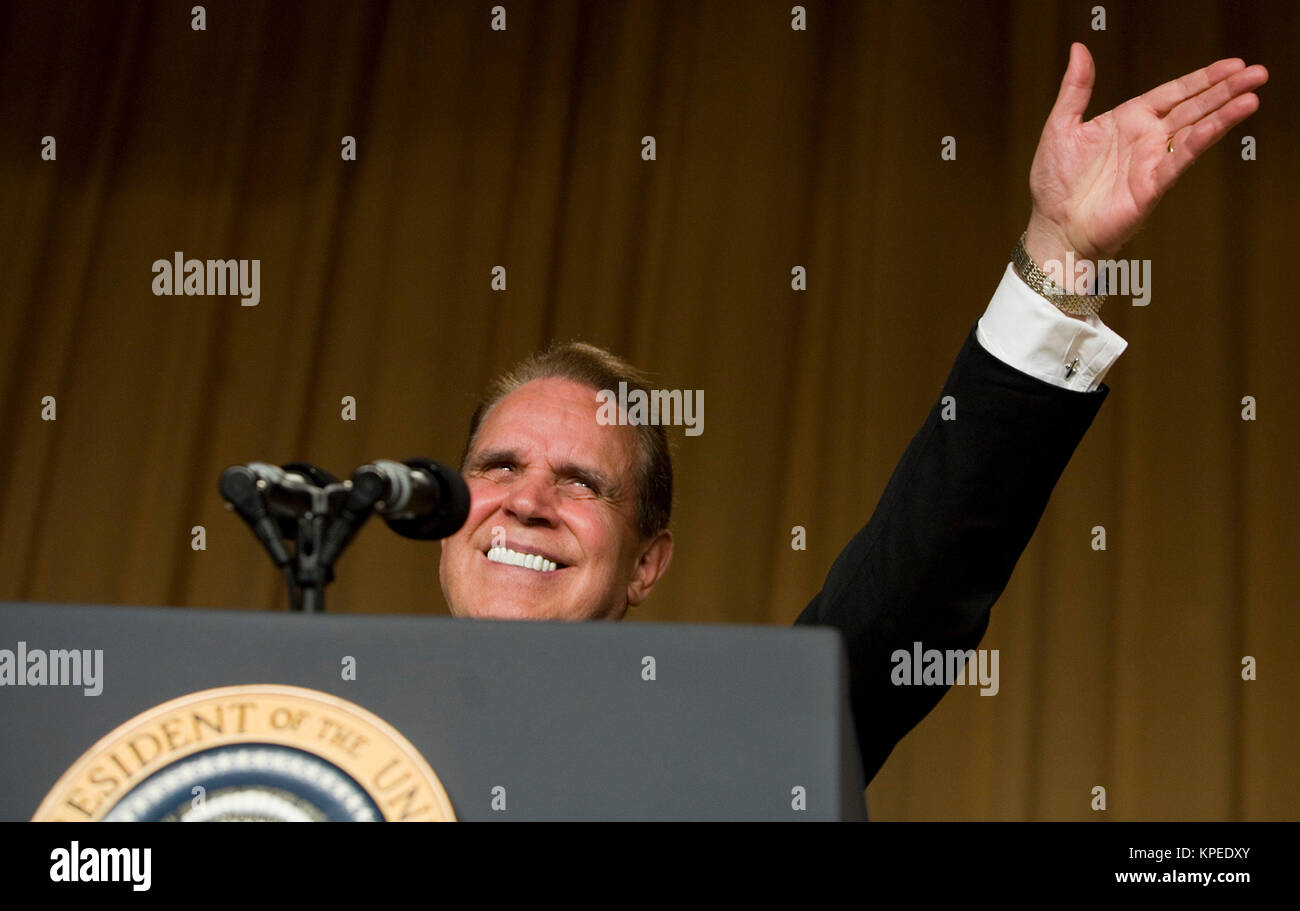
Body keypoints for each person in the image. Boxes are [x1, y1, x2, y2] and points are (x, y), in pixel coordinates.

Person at [437, 44, 1268, 783]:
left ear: (647, 564)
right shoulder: (318, 712)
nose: (527, 499)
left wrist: (1060, 253)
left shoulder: (738, 746)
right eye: (498, 466)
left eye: (582, 482)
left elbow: (914, 584)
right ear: (444, 516)